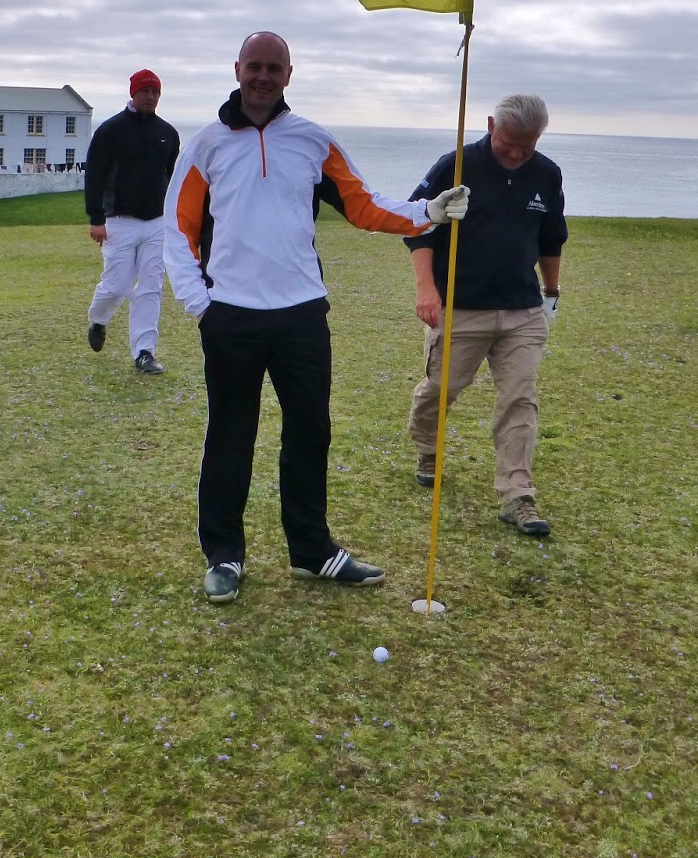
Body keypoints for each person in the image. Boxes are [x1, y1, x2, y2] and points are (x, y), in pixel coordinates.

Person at [164, 31, 470, 604]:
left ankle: (311, 551)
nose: (262, 76)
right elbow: (177, 230)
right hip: (230, 316)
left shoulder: (311, 140)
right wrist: (200, 306)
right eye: (253, 66)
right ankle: (224, 555)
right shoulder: (204, 145)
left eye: (273, 68)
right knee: (231, 436)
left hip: (301, 315)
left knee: (311, 433)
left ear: (288, 74)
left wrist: (427, 212)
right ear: (237, 69)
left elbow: (363, 204)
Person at [404, 93, 567, 538]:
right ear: (492, 125)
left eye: (527, 146)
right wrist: (427, 290)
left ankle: (517, 496)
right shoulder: (454, 166)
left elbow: (552, 237)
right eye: (508, 143)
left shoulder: (547, 174)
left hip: (522, 311)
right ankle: (427, 449)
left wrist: (551, 293)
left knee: (520, 397)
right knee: (442, 388)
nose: (516, 154)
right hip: (460, 307)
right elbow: (418, 227)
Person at [84, 68, 182, 374]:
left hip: (157, 223)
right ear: (133, 93)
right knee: (116, 285)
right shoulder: (111, 130)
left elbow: (174, 178)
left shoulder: (168, 133)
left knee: (151, 286)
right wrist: (96, 218)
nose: (150, 97)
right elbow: (95, 175)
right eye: (145, 92)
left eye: (155, 92)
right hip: (119, 221)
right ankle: (98, 320)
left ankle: (144, 352)